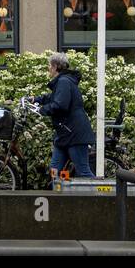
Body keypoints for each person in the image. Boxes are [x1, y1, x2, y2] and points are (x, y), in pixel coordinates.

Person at [36, 51, 94, 180]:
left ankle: (104, 197)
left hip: (74, 133)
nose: (48, 68)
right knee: (54, 171)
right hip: (65, 133)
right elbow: (53, 97)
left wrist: (42, 110)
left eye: (49, 65)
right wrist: (36, 99)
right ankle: (58, 198)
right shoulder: (63, 81)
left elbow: (60, 104)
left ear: (56, 66)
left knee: (83, 171)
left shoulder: (63, 81)